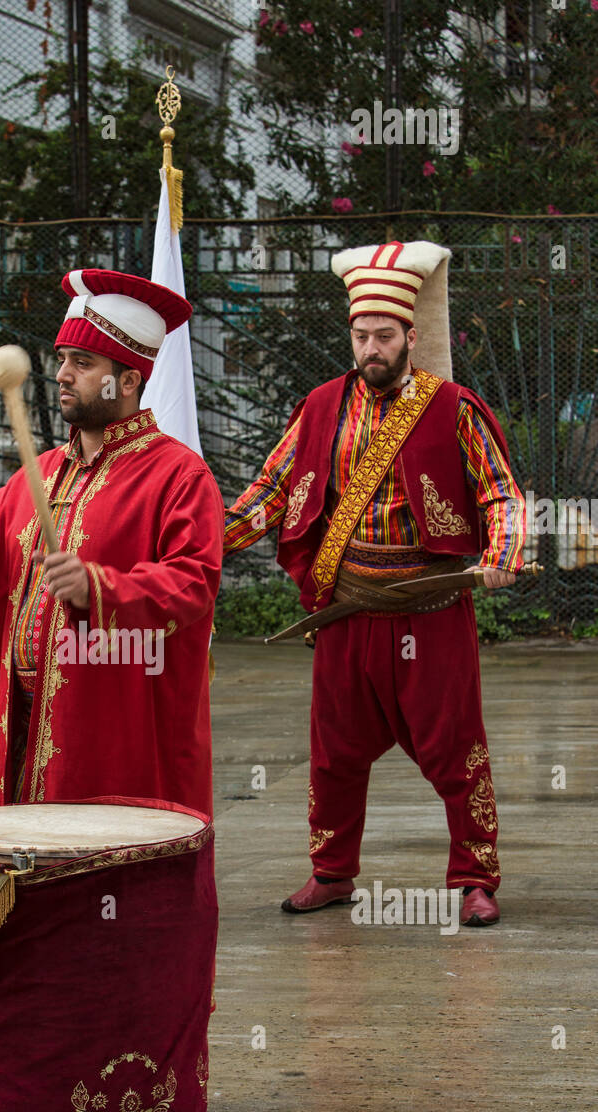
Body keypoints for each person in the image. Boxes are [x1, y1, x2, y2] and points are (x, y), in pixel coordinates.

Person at [224, 241, 526, 927]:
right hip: (347, 609)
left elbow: (499, 495)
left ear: (410, 335)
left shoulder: (453, 407)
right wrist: (201, 543)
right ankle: (330, 873)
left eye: (383, 336)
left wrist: (503, 550)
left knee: (456, 750)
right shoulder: (320, 406)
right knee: (332, 753)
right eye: (360, 336)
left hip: (430, 607)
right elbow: (269, 489)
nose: (370, 347)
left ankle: (474, 878)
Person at [0, 269, 224, 817]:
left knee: (99, 859)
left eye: (83, 363)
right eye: (61, 359)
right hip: (21, 714)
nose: (63, 374)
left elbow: (192, 586)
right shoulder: (41, 471)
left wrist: (97, 586)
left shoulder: (180, 476)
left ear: (127, 380)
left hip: (113, 716)